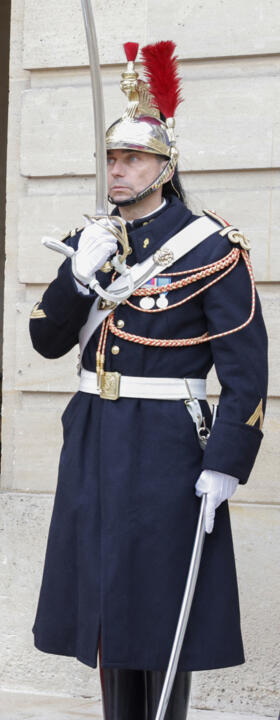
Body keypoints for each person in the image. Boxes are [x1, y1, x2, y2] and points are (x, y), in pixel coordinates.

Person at [29, 42, 266, 720]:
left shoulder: (210, 246)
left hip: (166, 442)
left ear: (165, 167)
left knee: (162, 603)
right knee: (103, 598)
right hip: (96, 435)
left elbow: (247, 369)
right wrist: (80, 275)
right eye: (111, 158)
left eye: (132, 159)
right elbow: (46, 341)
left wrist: (227, 464)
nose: (117, 171)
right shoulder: (91, 238)